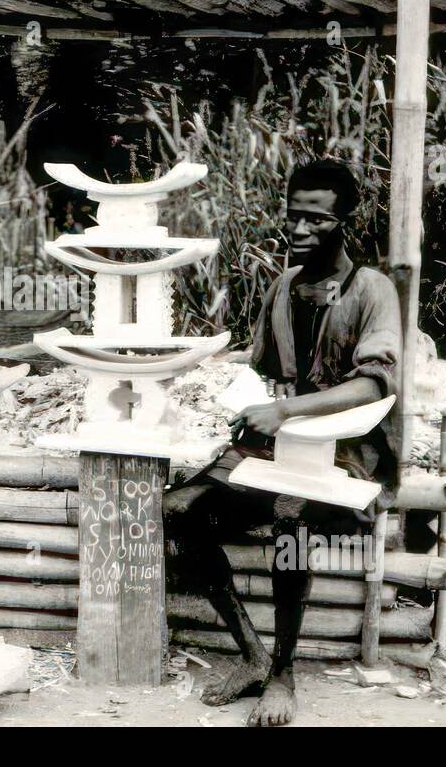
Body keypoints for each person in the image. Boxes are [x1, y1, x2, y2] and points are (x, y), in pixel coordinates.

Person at [164, 159, 400, 726]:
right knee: (177, 510)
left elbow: (374, 382)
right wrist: (249, 410)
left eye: (315, 220)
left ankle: (284, 673)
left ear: (347, 219)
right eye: (294, 217)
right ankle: (251, 654)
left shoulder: (372, 289)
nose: (298, 230)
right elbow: (269, 373)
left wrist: (286, 410)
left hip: (345, 461)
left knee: (290, 517)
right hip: (275, 451)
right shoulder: (283, 287)